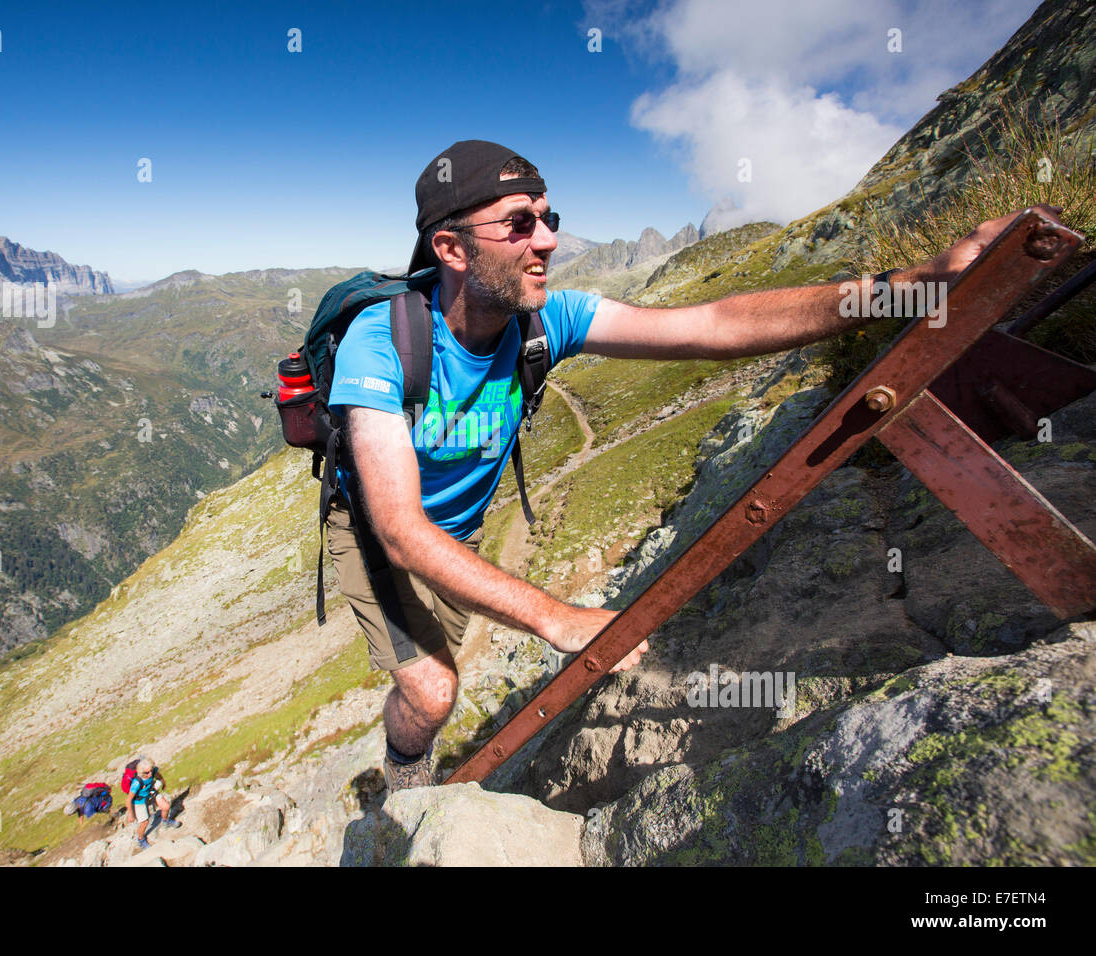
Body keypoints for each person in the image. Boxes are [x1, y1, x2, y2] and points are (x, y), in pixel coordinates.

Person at [327, 138, 1021, 793]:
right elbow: (399, 530)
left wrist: (913, 286)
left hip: (459, 534)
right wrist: (555, 618)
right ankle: (402, 784)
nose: (547, 241)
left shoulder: (546, 321)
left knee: (433, 683)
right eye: (517, 223)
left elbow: (713, 326)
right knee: (432, 692)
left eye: (547, 217)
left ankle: (414, 743)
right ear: (449, 246)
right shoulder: (383, 342)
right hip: (378, 536)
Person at [126, 756, 180, 849]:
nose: (150, 774)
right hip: (140, 801)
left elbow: (158, 776)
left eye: (151, 771)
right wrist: (131, 814)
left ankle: (165, 821)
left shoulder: (153, 771)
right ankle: (140, 839)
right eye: (147, 772)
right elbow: (129, 799)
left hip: (151, 793)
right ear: (141, 772)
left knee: (166, 806)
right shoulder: (136, 783)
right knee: (144, 822)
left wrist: (163, 783)